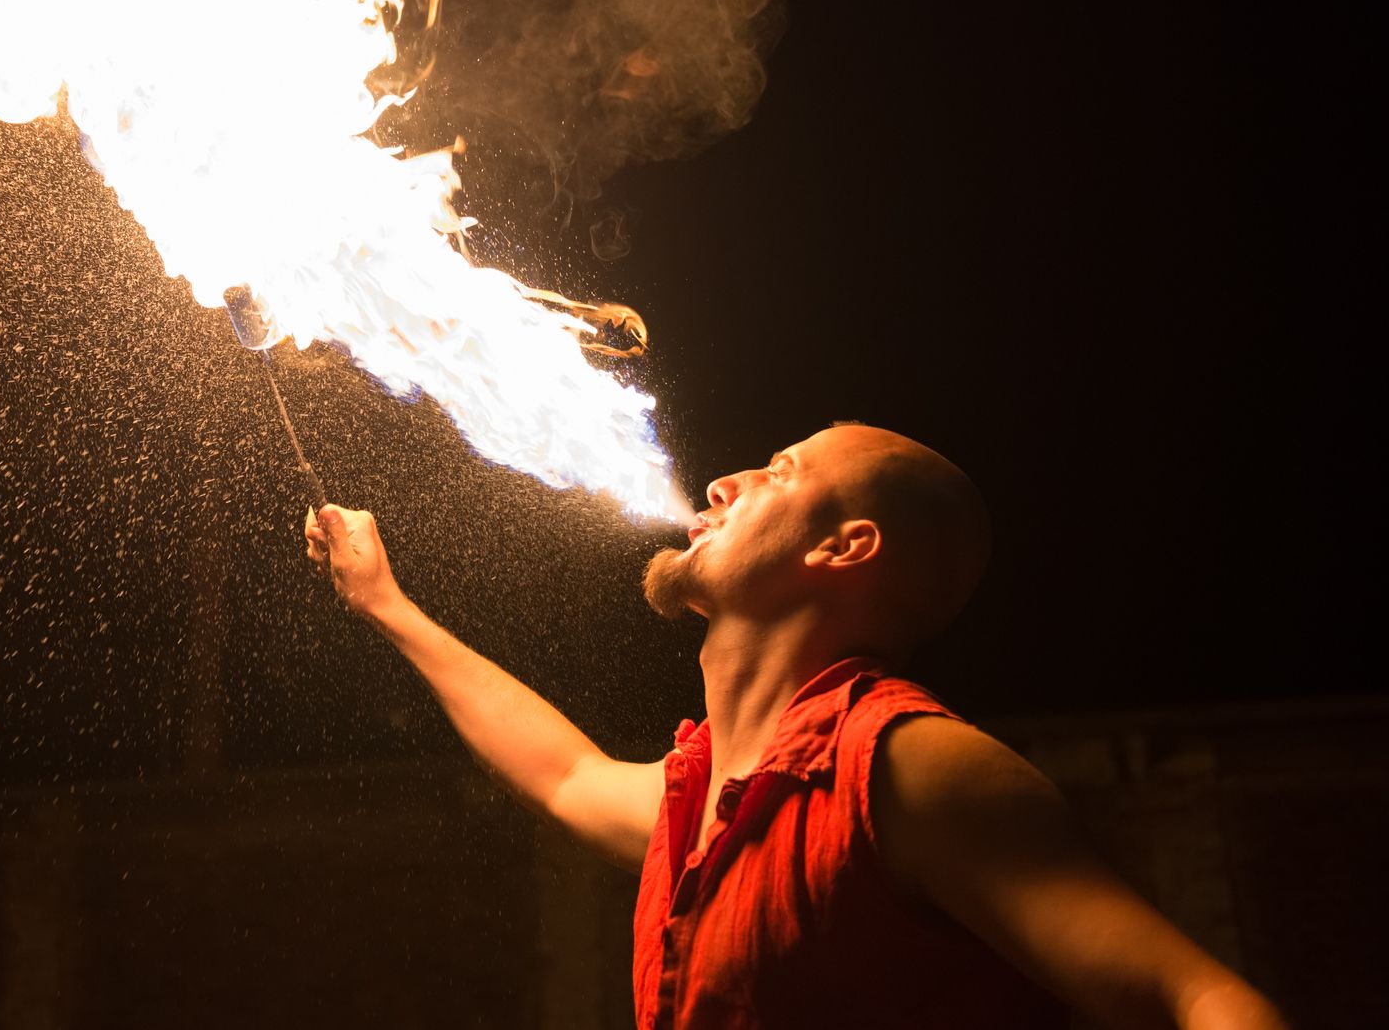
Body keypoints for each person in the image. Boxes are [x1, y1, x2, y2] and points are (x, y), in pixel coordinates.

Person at [304, 423, 1285, 1030]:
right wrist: (385, 604)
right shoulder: (708, 799)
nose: (725, 480)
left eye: (778, 470)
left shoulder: (907, 768)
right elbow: (564, 773)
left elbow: (1195, 998)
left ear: (844, 546)